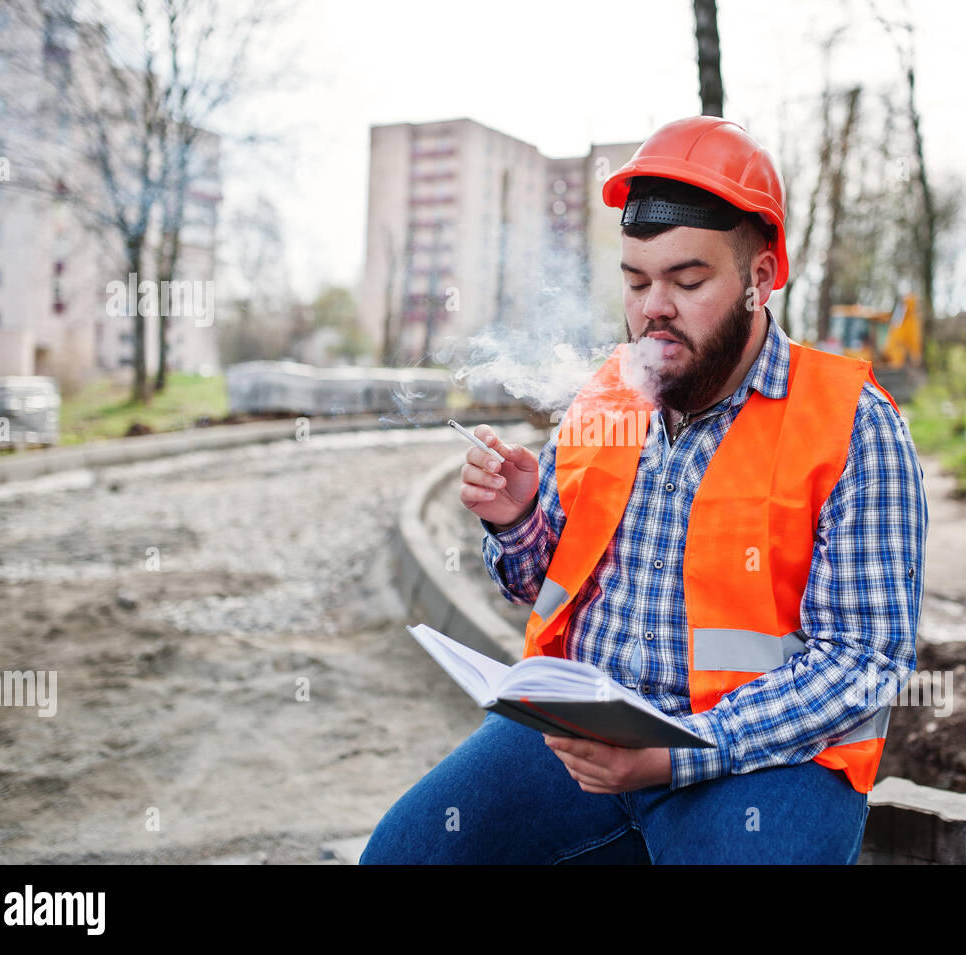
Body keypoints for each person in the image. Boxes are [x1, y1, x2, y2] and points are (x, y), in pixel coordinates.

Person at [360, 115, 927, 865]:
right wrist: (519, 519)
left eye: (687, 281)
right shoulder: (605, 400)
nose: (653, 306)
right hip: (586, 737)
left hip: (767, 758)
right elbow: (540, 581)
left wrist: (683, 753)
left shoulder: (854, 426)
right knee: (402, 857)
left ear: (760, 279)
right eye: (636, 281)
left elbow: (864, 658)